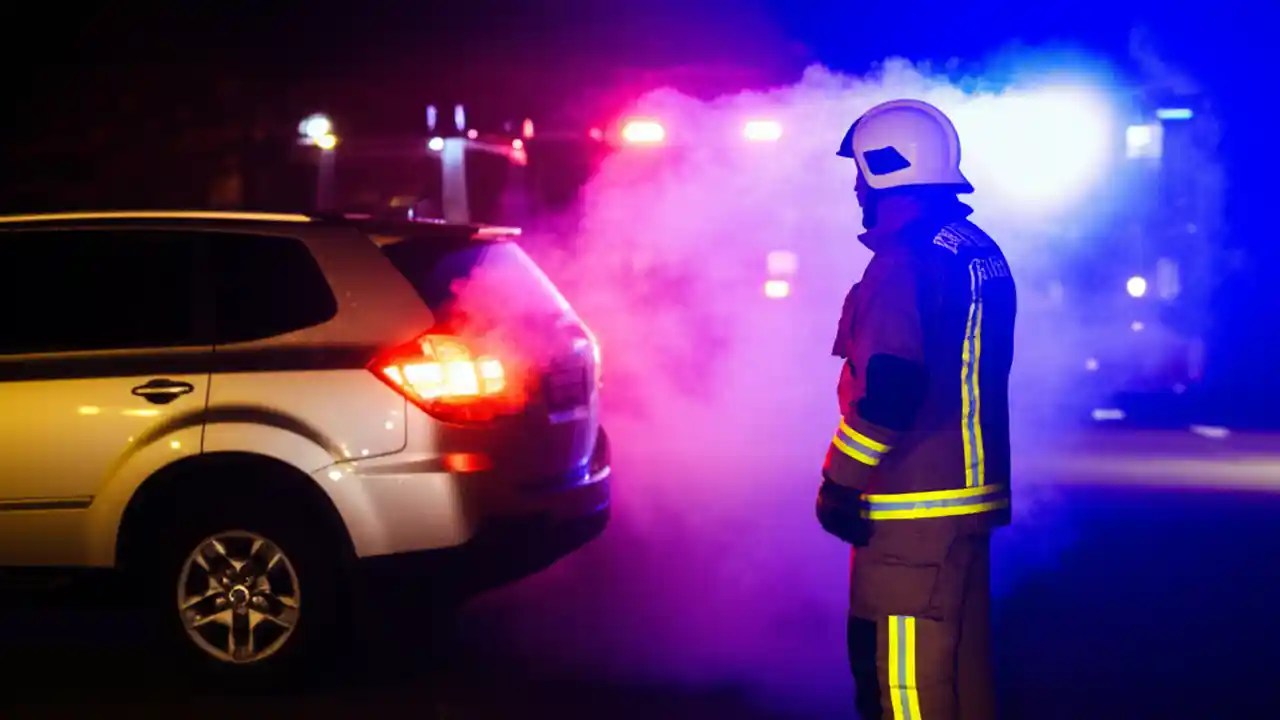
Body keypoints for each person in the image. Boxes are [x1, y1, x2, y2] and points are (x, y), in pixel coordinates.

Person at [815, 99, 1017, 720]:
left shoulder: (902, 263)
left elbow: (891, 391)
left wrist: (839, 483)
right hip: (966, 506)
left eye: (861, 174)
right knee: (962, 674)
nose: (855, 188)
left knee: (904, 688)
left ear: (887, 168)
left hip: (911, 514)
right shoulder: (973, 248)